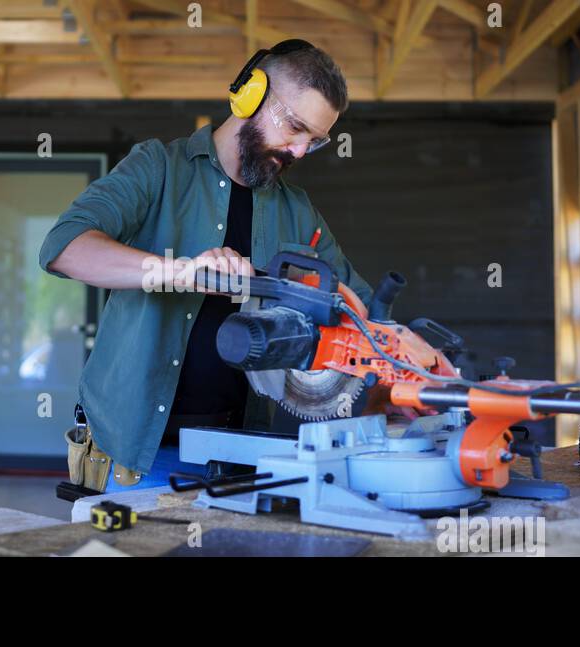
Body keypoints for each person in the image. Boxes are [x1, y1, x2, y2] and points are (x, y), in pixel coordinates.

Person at [39, 40, 371, 493]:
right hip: (136, 455)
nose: (297, 151)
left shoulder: (297, 211)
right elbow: (64, 247)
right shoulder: (158, 168)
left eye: (313, 141)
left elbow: (360, 308)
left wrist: (409, 370)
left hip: (238, 452)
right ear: (250, 94)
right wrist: (180, 271)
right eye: (294, 127)